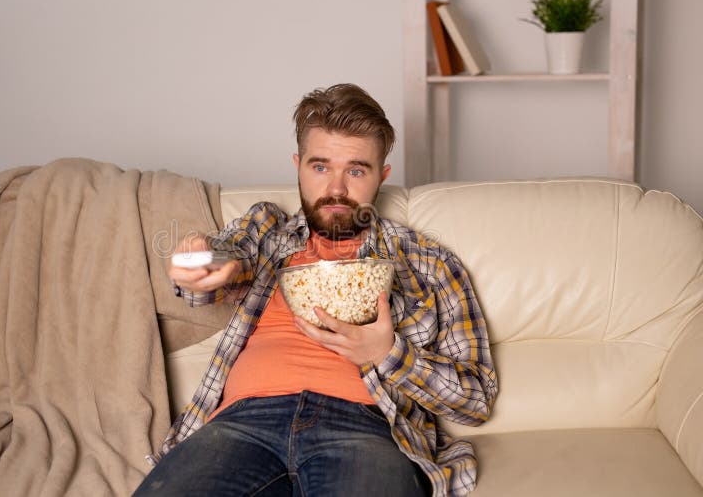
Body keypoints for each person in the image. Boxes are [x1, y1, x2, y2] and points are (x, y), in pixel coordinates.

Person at [133, 83, 498, 497]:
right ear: (298, 165)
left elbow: (474, 400)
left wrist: (386, 353)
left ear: (383, 175)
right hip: (241, 423)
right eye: (320, 167)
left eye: (357, 170)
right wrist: (200, 261)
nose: (337, 188)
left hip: (364, 427)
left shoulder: (427, 261)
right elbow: (222, 267)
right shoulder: (268, 230)